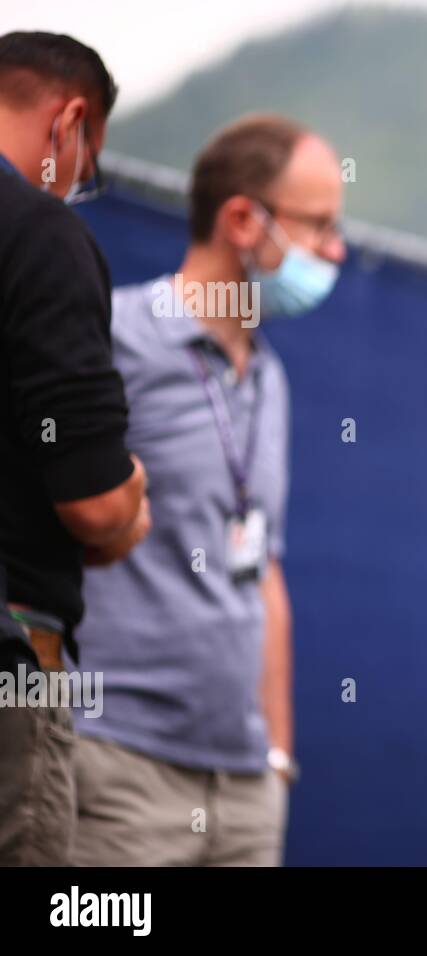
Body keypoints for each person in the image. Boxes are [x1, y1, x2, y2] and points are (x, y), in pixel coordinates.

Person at [70, 114, 345, 866]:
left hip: (247, 783)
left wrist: (278, 756)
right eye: (318, 225)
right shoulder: (112, 337)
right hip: (117, 766)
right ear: (240, 219)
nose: (335, 249)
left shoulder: (268, 375)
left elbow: (265, 571)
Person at [0, 31, 149, 867]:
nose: (75, 188)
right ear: (70, 120)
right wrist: (131, 495)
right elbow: (94, 503)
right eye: (84, 168)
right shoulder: (39, 233)